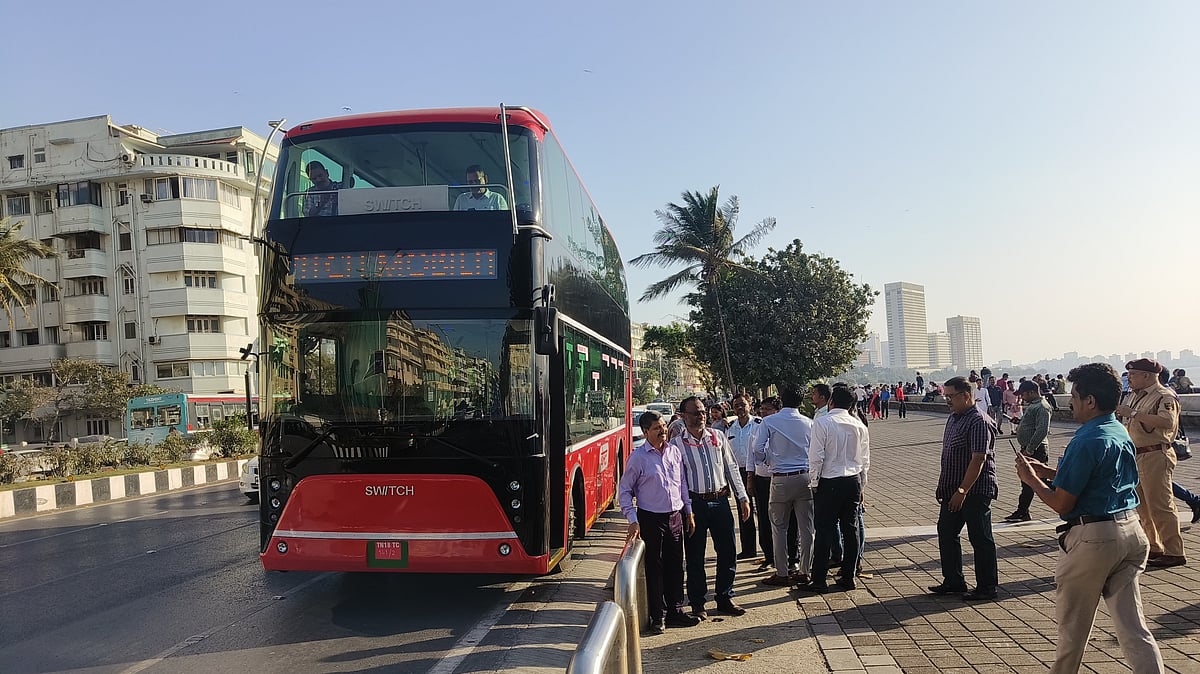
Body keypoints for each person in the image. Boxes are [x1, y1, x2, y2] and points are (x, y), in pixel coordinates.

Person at [1014, 363, 1164, 674]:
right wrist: (1048, 473)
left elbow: (1060, 501)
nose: (1071, 403)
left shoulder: (1085, 440)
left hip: (1094, 538)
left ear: (1090, 401)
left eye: (1075, 396)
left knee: (1073, 632)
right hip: (1130, 531)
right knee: (1133, 628)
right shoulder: (1116, 430)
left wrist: (1031, 479)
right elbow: (1097, 478)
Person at [618, 410, 700, 634]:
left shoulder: (674, 452)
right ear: (645, 432)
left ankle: (676, 610)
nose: (663, 430)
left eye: (663, 426)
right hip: (651, 518)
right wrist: (633, 520)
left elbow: (682, 483)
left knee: (676, 565)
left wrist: (688, 511)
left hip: (675, 516)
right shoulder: (638, 458)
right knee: (655, 567)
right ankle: (658, 615)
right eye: (657, 428)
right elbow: (624, 491)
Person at [672, 396, 751, 618]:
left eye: (703, 412)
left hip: (721, 500)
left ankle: (725, 597)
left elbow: (731, 467)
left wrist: (742, 497)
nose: (701, 416)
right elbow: (678, 480)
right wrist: (686, 511)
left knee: (727, 551)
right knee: (695, 555)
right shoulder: (677, 445)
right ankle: (698, 603)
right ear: (684, 415)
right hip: (695, 504)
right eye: (696, 413)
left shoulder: (717, 437)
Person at [930, 376, 999, 601]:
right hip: (952, 489)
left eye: (950, 396)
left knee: (980, 537)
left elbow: (978, 458)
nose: (947, 400)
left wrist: (962, 491)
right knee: (947, 533)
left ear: (966, 396)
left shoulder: (979, 421)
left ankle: (987, 586)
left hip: (974, 490)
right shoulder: (954, 418)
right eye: (945, 396)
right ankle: (954, 580)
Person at [1117, 358, 1185, 568]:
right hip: (1136, 454)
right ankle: (1154, 546)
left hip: (1155, 453)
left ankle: (1174, 551)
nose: (1130, 378)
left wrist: (1134, 414)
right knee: (1142, 507)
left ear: (1146, 375)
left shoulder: (1163, 396)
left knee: (1160, 505)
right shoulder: (1134, 396)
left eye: (1133, 374)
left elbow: (1167, 423)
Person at [805, 386, 870, 591]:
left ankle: (819, 579)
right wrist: (862, 485)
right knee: (850, 530)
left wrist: (814, 483)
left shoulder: (823, 422)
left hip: (829, 480)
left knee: (824, 529)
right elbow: (865, 459)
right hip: (852, 480)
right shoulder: (859, 424)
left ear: (831, 401)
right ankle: (849, 576)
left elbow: (816, 456)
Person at [752, 387, 816, 587]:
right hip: (805, 476)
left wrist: (767, 460)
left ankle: (781, 572)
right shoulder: (809, 422)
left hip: (780, 478)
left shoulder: (769, 421)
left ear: (781, 401)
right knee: (807, 528)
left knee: (779, 527)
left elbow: (757, 448)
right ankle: (804, 570)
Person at [748, 396, 798, 573]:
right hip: (762, 479)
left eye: (767, 409)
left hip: (780, 478)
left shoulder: (786, 427)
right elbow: (751, 452)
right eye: (762, 409)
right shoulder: (758, 427)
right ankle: (769, 556)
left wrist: (769, 462)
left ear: (778, 410)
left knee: (789, 520)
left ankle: (792, 558)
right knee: (764, 518)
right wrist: (750, 476)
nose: (763, 412)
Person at [1005, 381, 1053, 522]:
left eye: (1024, 394)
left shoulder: (1042, 407)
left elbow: (1042, 430)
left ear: (1032, 392)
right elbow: (1033, 425)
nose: (1023, 397)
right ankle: (1023, 511)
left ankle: (1069, 497)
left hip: (1036, 450)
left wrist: (1030, 450)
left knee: (1036, 480)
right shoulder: (1034, 406)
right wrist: (1019, 422)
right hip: (1029, 448)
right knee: (1028, 480)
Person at [724, 394, 760, 560]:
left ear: (750, 404)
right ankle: (748, 548)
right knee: (743, 511)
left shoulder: (759, 424)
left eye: (742, 404)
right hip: (738, 472)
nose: (739, 408)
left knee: (763, 511)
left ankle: (770, 550)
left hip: (758, 472)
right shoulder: (730, 427)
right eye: (736, 405)